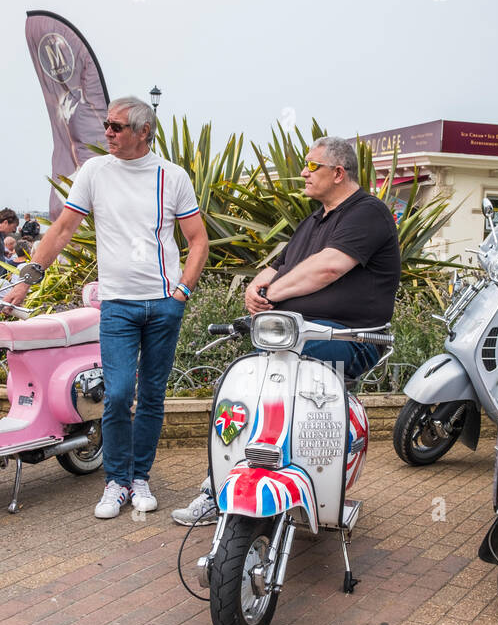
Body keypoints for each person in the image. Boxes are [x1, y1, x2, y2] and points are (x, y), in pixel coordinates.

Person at [172, 135, 401, 526]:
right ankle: (222, 483)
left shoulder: (368, 213)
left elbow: (328, 267)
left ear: (338, 172)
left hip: (350, 339)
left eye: (312, 166)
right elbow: (279, 265)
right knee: (241, 385)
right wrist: (254, 289)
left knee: (269, 383)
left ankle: (289, 480)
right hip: (292, 336)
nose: (304, 173)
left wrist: (271, 295)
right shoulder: (316, 219)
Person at [5, 95, 208, 520]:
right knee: (116, 395)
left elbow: (197, 240)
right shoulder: (94, 172)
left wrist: (182, 292)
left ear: (143, 132)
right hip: (117, 306)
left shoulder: (173, 177)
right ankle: (116, 481)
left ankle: (140, 479)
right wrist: (28, 278)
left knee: (151, 396)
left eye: (117, 127)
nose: (108, 133)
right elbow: (63, 228)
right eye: (107, 126)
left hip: (163, 305)